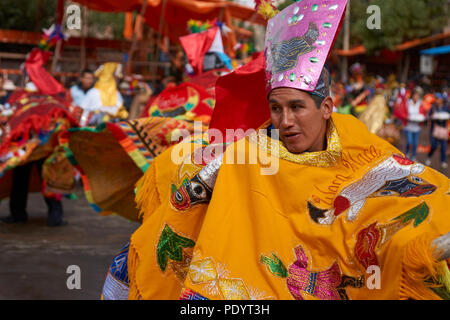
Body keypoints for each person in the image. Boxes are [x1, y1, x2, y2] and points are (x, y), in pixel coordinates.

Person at [102, 0, 449, 300]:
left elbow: (403, 180)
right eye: (276, 108)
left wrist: (411, 241)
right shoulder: (249, 154)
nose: (285, 120)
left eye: (297, 107)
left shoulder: (357, 140)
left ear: (326, 108)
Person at [425, 93, 449, 168]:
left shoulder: (446, 107)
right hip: (434, 129)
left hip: (443, 129)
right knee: (434, 145)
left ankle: (443, 161)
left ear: (442, 99)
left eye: (439, 98)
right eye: (437, 98)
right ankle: (429, 156)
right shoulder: (433, 107)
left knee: (444, 146)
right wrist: (432, 117)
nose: (438, 100)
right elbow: (428, 116)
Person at [403, 87, 425, 161]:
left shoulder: (420, 104)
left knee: (415, 143)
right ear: (412, 95)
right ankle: (407, 153)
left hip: (417, 127)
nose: (416, 97)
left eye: (418, 96)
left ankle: (414, 156)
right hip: (408, 126)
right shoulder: (408, 103)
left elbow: (423, 114)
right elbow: (404, 112)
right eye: (415, 95)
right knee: (409, 142)